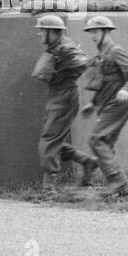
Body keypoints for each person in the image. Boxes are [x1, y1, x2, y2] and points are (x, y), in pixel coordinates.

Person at [30, 14, 96, 191]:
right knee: (53, 139)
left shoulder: (65, 48)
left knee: (49, 140)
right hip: (58, 95)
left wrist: (85, 62)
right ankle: (87, 161)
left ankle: (48, 188)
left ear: (53, 32)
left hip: (63, 97)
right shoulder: (58, 47)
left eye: (42, 30)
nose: (39, 34)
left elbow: (83, 62)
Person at [80, 15, 128, 196]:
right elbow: (103, 83)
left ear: (106, 31)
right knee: (105, 144)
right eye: (90, 32)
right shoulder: (102, 55)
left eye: (95, 31)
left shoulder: (115, 51)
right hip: (106, 105)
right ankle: (123, 188)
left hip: (117, 106)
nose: (92, 36)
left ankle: (117, 183)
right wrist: (92, 104)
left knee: (96, 140)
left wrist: (126, 90)